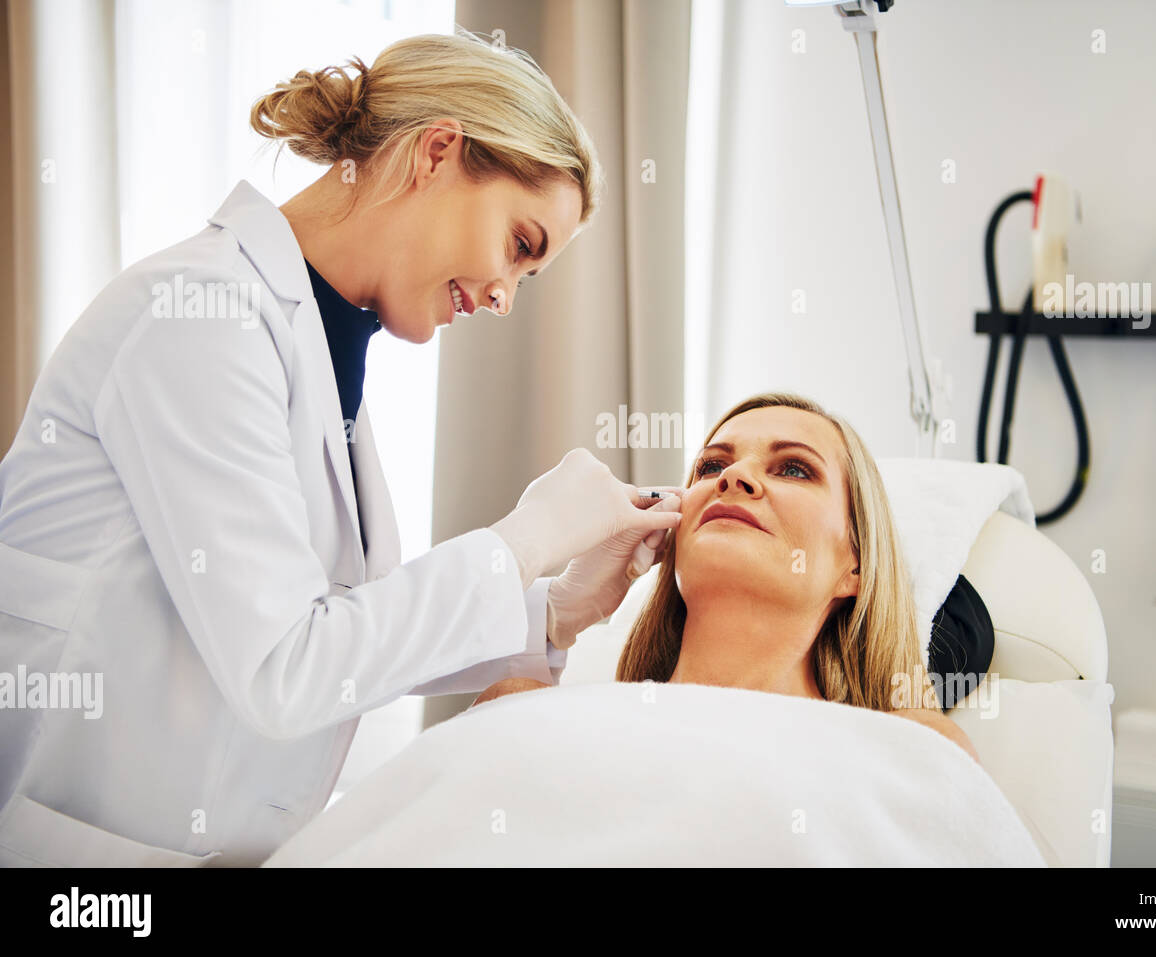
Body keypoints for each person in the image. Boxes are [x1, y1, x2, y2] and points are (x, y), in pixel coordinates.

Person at [0, 30, 681, 867]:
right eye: (520, 244)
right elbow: (289, 667)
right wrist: (528, 533)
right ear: (438, 152)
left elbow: (350, 639)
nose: (506, 296)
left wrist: (557, 608)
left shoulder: (321, 356)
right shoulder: (201, 315)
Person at [472, 392, 979, 763]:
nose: (732, 479)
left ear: (856, 564)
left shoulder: (910, 748)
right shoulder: (523, 712)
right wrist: (560, 611)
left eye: (795, 469)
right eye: (711, 465)